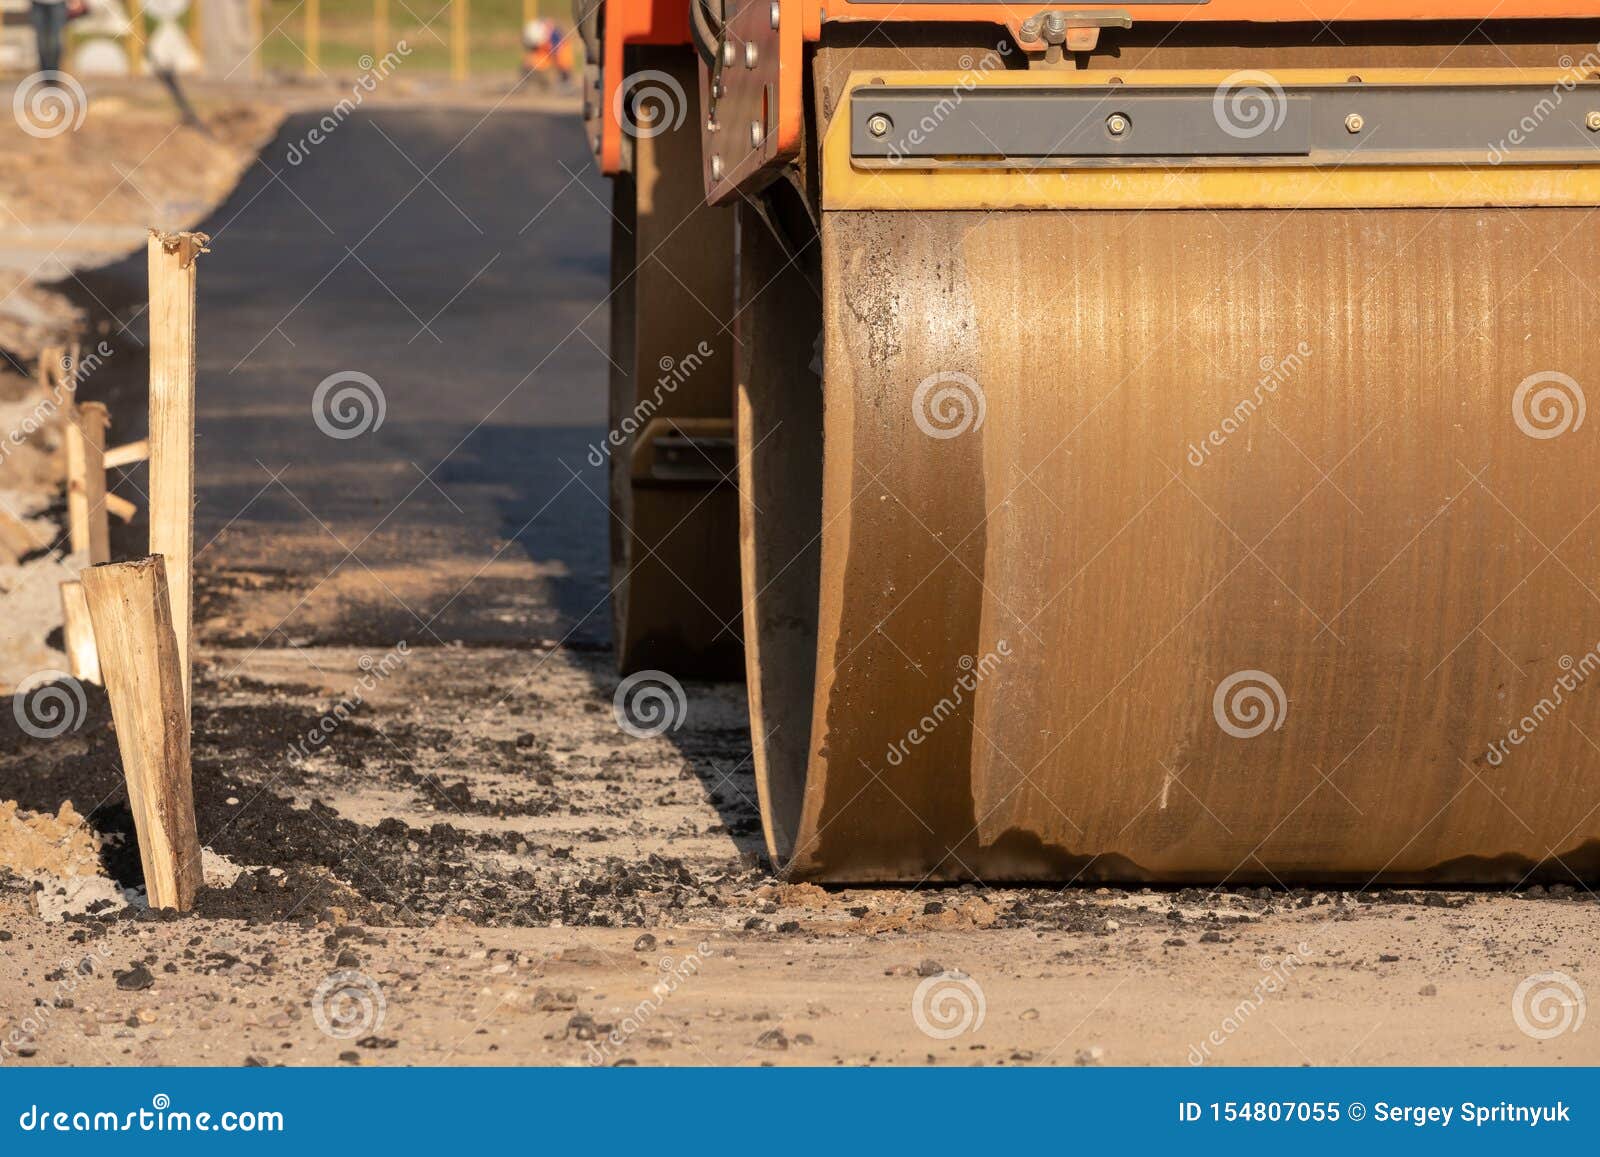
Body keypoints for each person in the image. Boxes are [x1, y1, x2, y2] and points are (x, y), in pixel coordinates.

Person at [30, 0, 69, 75]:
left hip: (58, 3)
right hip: (37, 3)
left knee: (55, 40)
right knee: (41, 41)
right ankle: (44, 73)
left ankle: (53, 72)